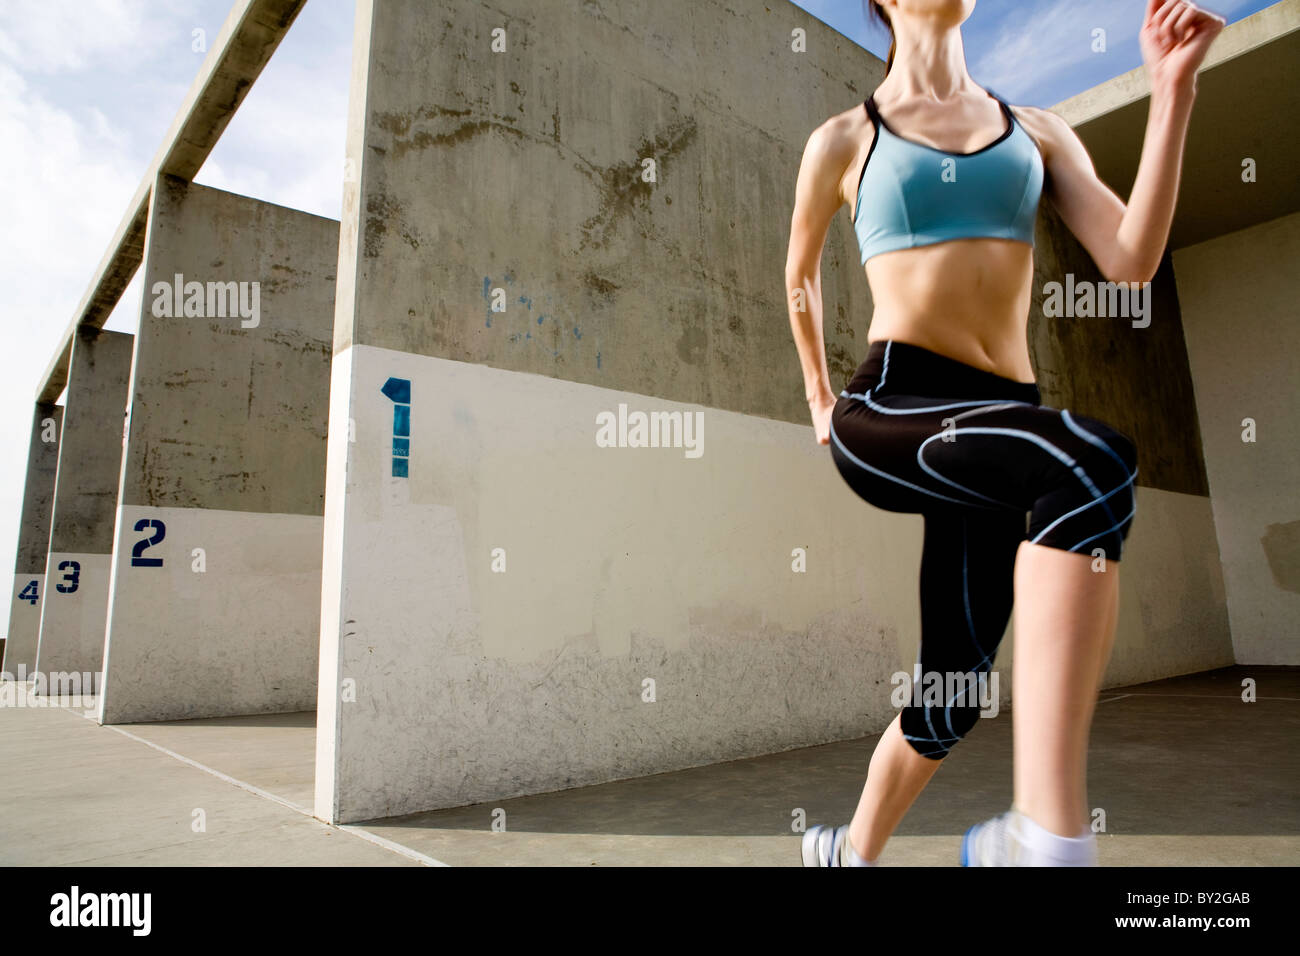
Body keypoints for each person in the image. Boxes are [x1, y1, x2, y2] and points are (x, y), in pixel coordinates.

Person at [784, 0, 1224, 866]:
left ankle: (847, 854)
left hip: (1002, 422)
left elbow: (1130, 262)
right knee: (1093, 463)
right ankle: (1048, 833)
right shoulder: (844, 137)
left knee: (952, 691)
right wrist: (817, 399)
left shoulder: (1038, 131)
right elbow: (799, 273)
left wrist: (1173, 91)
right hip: (893, 408)